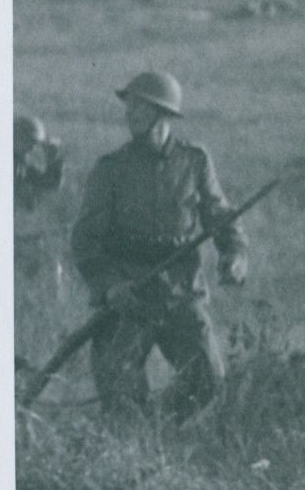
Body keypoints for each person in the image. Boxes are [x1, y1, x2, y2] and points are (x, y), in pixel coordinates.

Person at [69, 72, 249, 421]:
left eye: (140, 106)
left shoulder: (195, 161)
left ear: (164, 114)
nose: (129, 113)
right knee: (120, 394)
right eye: (129, 105)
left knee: (208, 381)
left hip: (180, 292)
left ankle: (158, 431)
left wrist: (235, 253)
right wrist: (110, 287)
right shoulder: (111, 169)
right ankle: (132, 440)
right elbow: (85, 241)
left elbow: (221, 217)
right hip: (128, 297)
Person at [15, 114, 69, 298]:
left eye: (34, 144)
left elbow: (50, 184)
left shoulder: (22, 165)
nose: (32, 148)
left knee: (41, 266)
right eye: (29, 142)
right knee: (46, 265)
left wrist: (53, 159)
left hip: (19, 232)